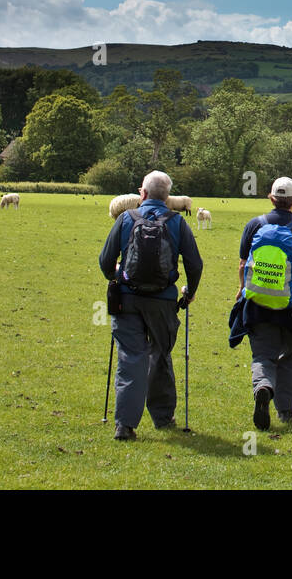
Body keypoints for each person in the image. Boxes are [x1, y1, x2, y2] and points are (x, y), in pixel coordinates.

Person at [98, 170, 203, 441]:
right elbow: (194, 264)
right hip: (163, 302)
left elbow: (105, 260)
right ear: (168, 197)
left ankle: (125, 425)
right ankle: (163, 416)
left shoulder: (125, 219)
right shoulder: (178, 222)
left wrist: (117, 276)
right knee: (160, 355)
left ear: (141, 193)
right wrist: (189, 292)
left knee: (131, 358)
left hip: (127, 300)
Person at [237, 177, 292, 430]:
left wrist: (241, 291)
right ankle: (285, 412)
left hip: (258, 304)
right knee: (289, 357)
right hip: (291, 310)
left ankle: (263, 386)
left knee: (262, 355)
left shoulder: (254, 225)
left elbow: (242, 265)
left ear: (271, 198)